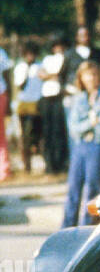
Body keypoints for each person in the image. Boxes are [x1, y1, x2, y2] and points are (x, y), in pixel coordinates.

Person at [62, 61, 100, 228]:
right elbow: (74, 128)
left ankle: (87, 225)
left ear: (98, 76)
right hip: (80, 146)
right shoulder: (79, 99)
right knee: (73, 187)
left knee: (93, 186)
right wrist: (91, 123)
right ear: (81, 78)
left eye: (94, 74)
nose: (91, 79)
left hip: (98, 145)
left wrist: (92, 128)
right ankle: (67, 226)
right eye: (87, 75)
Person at [38, 35, 70, 175]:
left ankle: (60, 163)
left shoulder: (66, 58)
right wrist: (52, 75)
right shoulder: (47, 59)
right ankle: (49, 165)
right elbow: (40, 74)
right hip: (46, 96)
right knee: (47, 131)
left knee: (59, 131)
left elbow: (60, 75)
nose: (58, 48)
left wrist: (49, 75)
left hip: (58, 96)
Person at [13, 42, 43, 174]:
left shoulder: (40, 66)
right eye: (27, 54)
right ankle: (27, 166)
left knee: (39, 135)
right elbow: (19, 85)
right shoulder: (20, 67)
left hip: (37, 103)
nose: (30, 57)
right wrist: (26, 71)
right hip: (25, 104)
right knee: (25, 136)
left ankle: (42, 163)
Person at [0, 44, 11, 181]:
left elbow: (7, 76)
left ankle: (4, 169)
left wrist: (10, 99)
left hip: (0, 94)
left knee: (0, 134)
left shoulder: (1, 53)